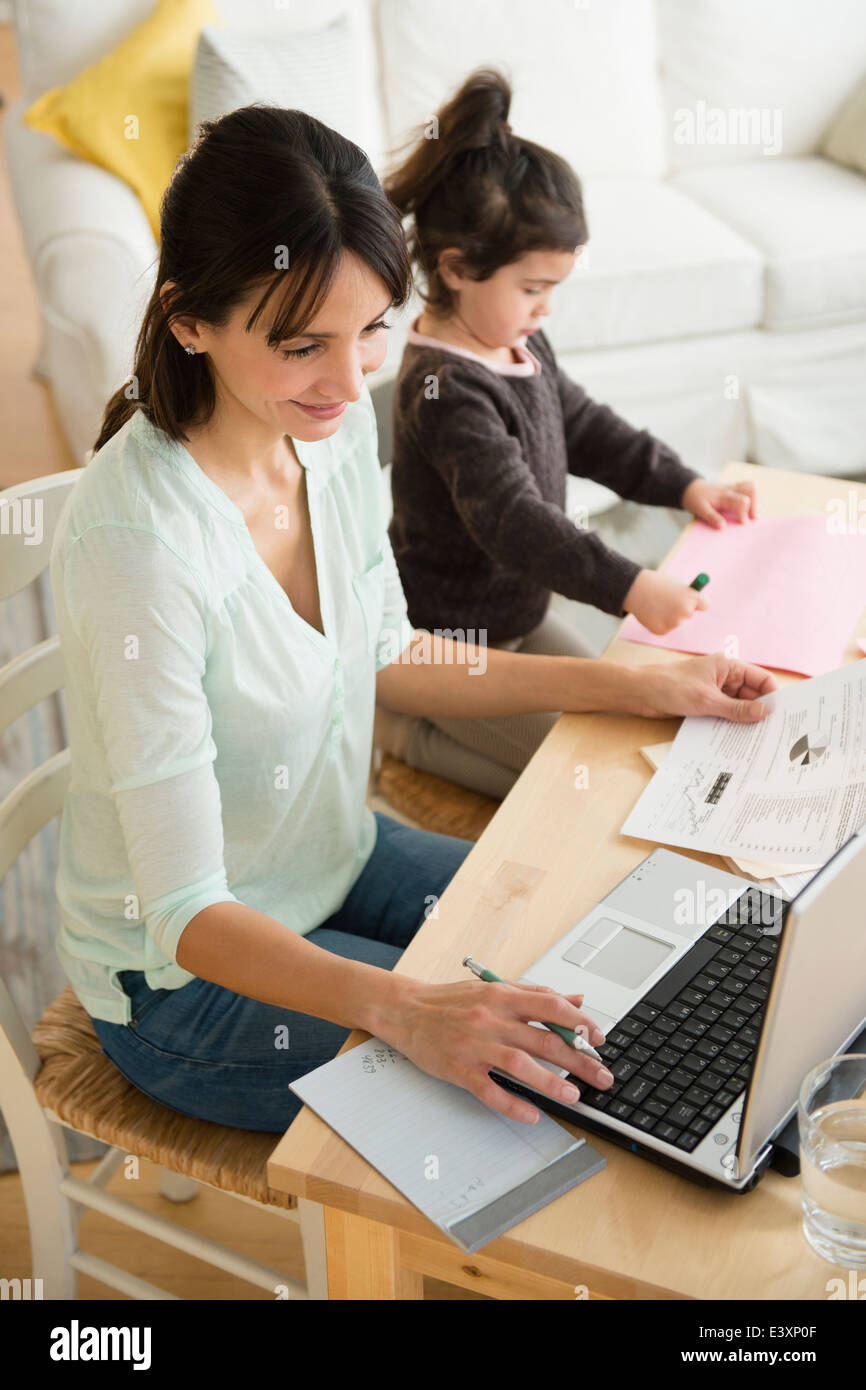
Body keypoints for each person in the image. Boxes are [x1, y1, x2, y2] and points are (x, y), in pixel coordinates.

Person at [49, 105, 777, 1135]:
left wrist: (637, 682)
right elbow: (185, 915)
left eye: (373, 330)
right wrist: (405, 1008)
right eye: (302, 344)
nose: (351, 383)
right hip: (182, 981)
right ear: (187, 320)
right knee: (552, 1083)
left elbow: (389, 653)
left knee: (634, 951)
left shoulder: (325, 431)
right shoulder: (138, 543)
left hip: (337, 858)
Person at [379, 69, 758, 799]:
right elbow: (515, 523)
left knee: (613, 741)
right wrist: (630, 586)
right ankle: (407, 728)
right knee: (573, 781)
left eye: (554, 288)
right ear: (456, 269)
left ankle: (430, 730)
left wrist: (684, 483)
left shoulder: (517, 339)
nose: (546, 308)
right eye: (532, 288)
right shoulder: (447, 390)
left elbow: (583, 426)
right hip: (457, 649)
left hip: (522, 618)